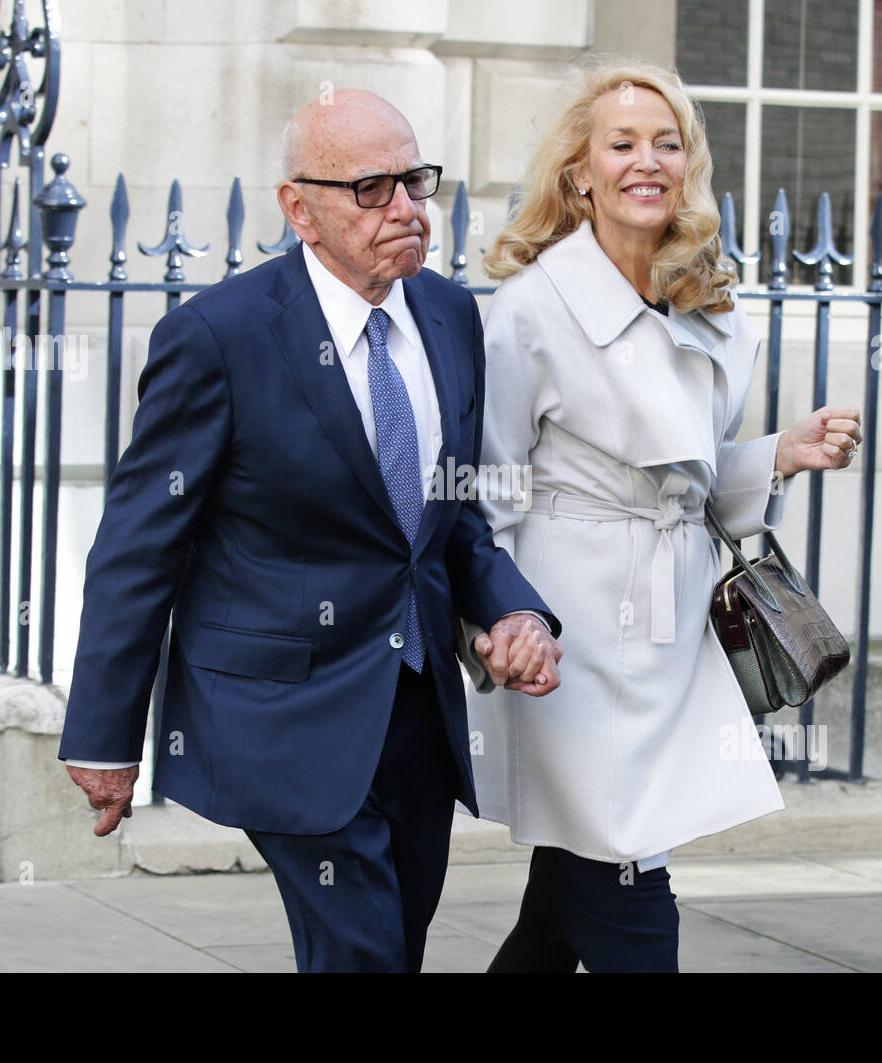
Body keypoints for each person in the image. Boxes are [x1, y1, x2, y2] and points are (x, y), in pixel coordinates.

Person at [58, 89, 564, 973]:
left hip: (414, 707)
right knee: (363, 952)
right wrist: (106, 733)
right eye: (371, 188)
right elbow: (140, 543)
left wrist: (512, 612)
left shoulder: (449, 317)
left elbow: (454, 514)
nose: (405, 208)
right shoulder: (219, 337)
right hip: (278, 709)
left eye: (414, 179)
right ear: (299, 207)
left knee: (390, 947)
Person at [458, 60, 862, 973]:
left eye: (667, 142)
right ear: (580, 173)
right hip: (574, 635)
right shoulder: (532, 310)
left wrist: (778, 452)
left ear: (689, 163)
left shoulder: (707, 303)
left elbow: (681, 480)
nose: (649, 160)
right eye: (623, 143)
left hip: (672, 633)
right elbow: (490, 487)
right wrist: (502, 622)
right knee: (630, 877)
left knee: (568, 896)